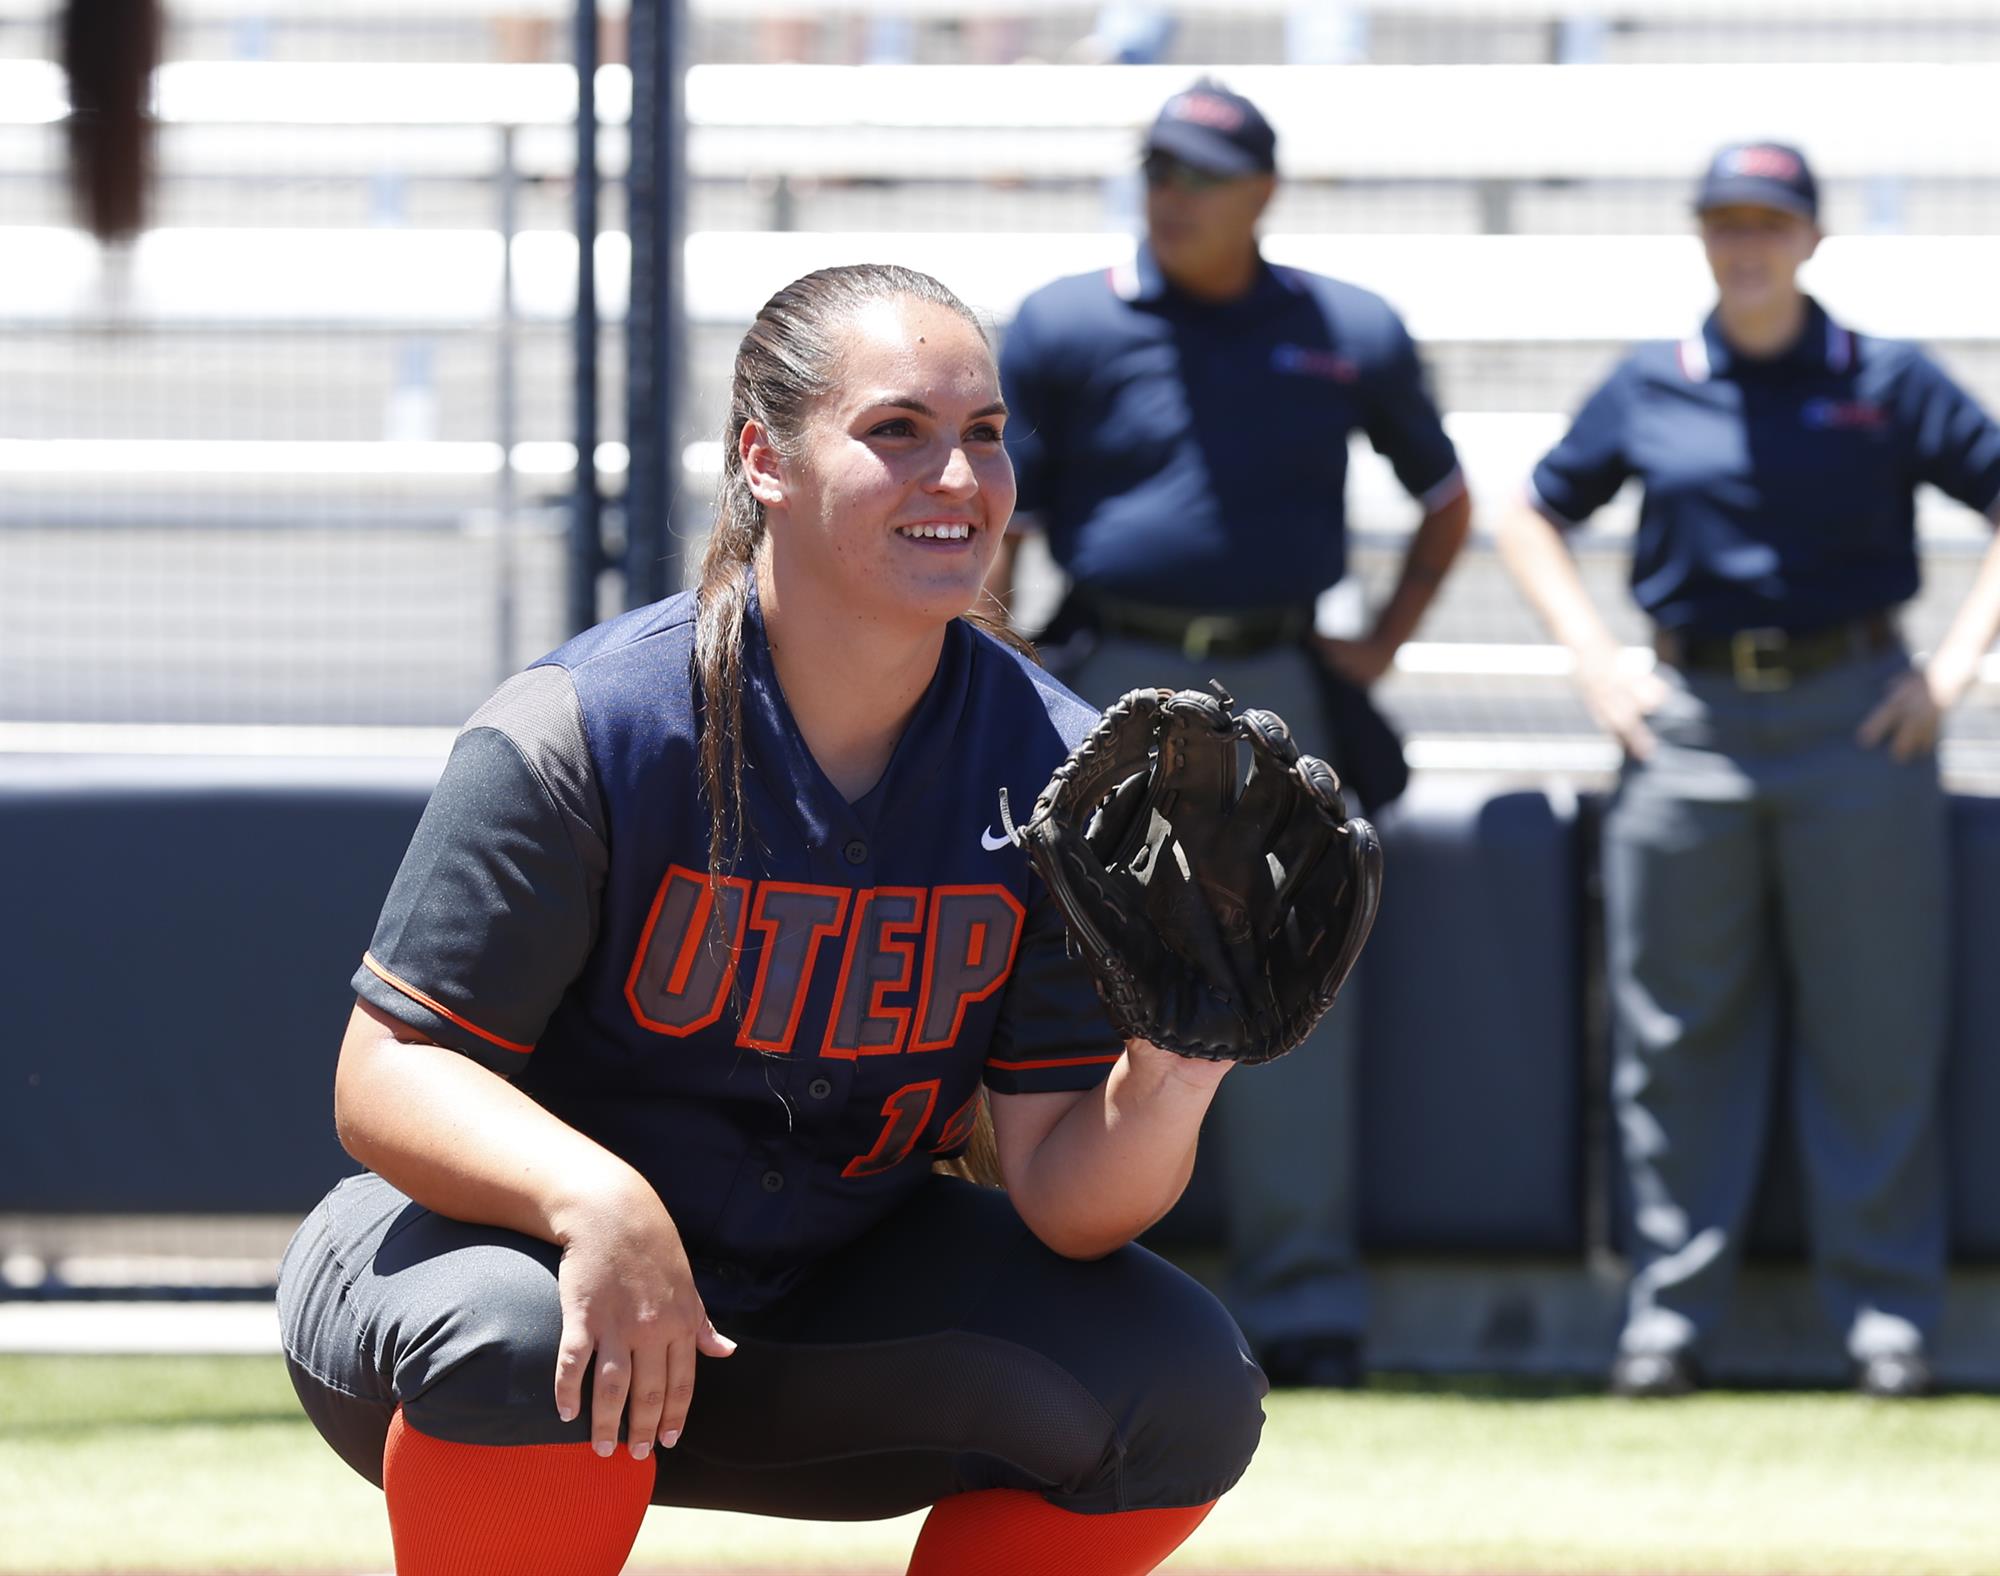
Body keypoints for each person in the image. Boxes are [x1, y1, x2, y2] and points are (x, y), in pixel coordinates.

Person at [277, 264, 1268, 1576]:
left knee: (1179, 1387)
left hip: (822, 1302)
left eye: (984, 434)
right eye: (898, 431)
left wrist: (1179, 1068)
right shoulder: (593, 724)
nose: (960, 478)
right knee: (516, 1340)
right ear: (764, 459)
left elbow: (1066, 1202)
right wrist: (593, 1198)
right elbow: (386, 1075)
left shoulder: (1060, 776)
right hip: (508, 1277)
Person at [1495, 142, 2000, 1399]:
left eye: (1768, 221)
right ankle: (1667, 1319)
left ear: (1812, 238)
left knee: (1875, 1029)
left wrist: (1949, 674)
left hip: (1855, 723)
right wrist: (1595, 663)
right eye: (1724, 220)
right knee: (1672, 1035)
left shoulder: (1880, 380)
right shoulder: (1651, 383)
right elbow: (1530, 511)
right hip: (1690, 728)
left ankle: (1885, 1321)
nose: (1745, 243)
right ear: (1699, 235)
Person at [991, 79, 1472, 1389]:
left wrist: (1382, 639)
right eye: (1158, 168)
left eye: (1202, 174)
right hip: (1103, 677)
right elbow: (993, 515)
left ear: (1263, 191)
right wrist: (1001, 671)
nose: (1173, 194)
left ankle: (1306, 1306)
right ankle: (1048, 1289)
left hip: (1277, 680)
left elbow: (1445, 497)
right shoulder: (1065, 322)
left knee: (1288, 982)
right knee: (1063, 975)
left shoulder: (1344, 329)